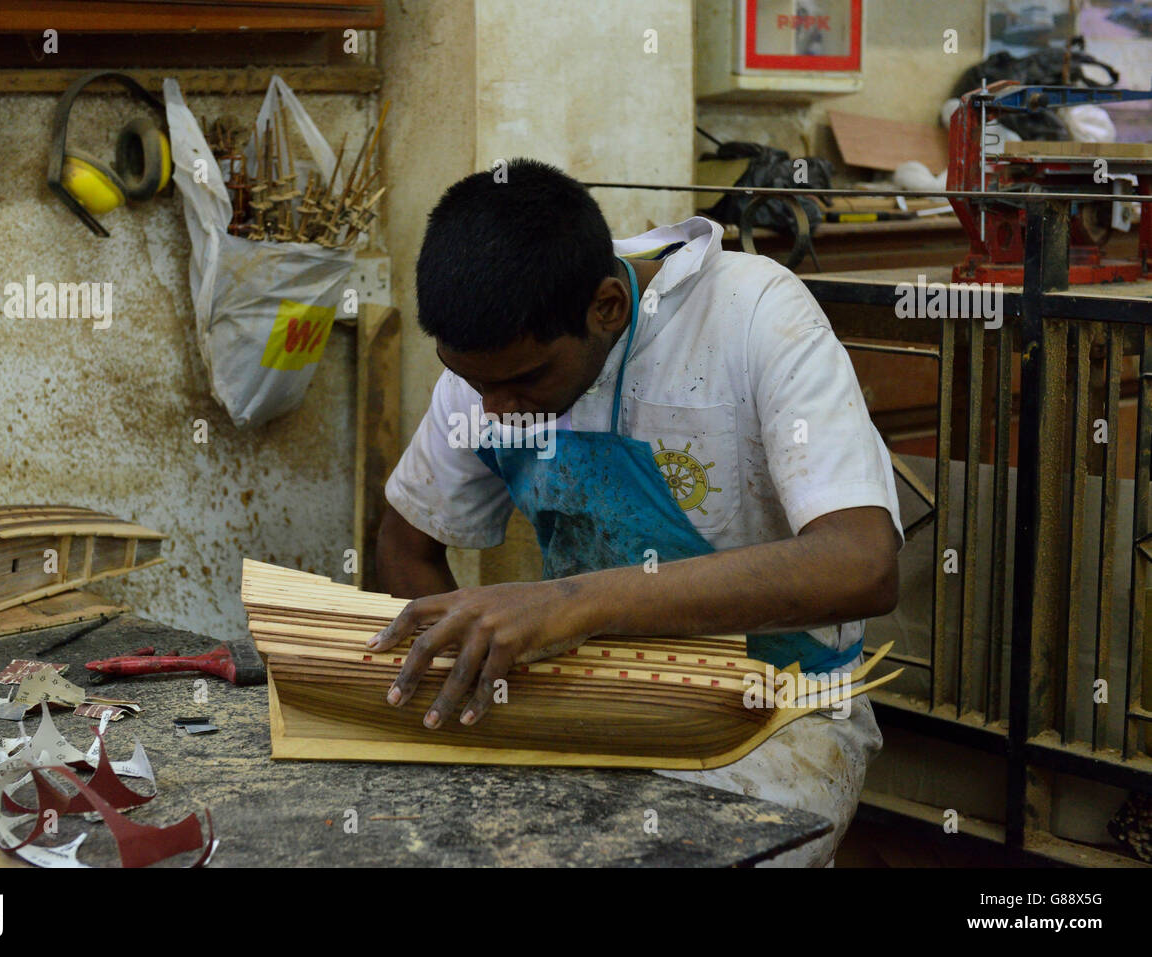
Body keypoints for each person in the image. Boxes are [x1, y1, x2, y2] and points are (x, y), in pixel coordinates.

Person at [373, 158, 902, 866]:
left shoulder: (753, 315)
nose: (494, 411)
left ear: (606, 309)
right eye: (474, 383)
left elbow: (861, 564)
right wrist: (459, 675)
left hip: (776, 702)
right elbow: (406, 543)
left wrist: (572, 603)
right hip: (572, 691)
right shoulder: (493, 363)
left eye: (525, 381)